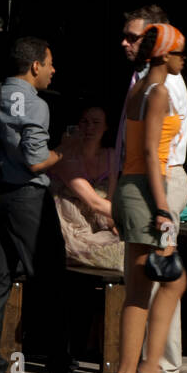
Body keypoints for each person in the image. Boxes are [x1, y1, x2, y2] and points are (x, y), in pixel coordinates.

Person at [0, 37, 87, 373]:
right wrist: (65, 149)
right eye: (50, 63)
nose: (54, 70)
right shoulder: (37, 105)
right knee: (52, 281)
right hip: (27, 199)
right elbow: (36, 161)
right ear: (35, 66)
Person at [109, 23, 187, 373]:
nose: (183, 59)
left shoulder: (138, 89)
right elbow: (155, 160)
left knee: (143, 290)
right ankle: (142, 371)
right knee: (164, 283)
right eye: (179, 52)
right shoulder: (157, 93)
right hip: (145, 191)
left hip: (132, 187)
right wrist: (162, 209)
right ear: (163, 56)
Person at [49, 105, 123, 272]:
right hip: (71, 229)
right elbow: (95, 203)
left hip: (98, 227)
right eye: (84, 122)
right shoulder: (67, 158)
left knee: (134, 249)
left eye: (96, 123)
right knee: (123, 254)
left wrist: (116, 225)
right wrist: (133, 218)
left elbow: (110, 201)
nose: (89, 128)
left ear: (106, 127)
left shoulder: (111, 156)